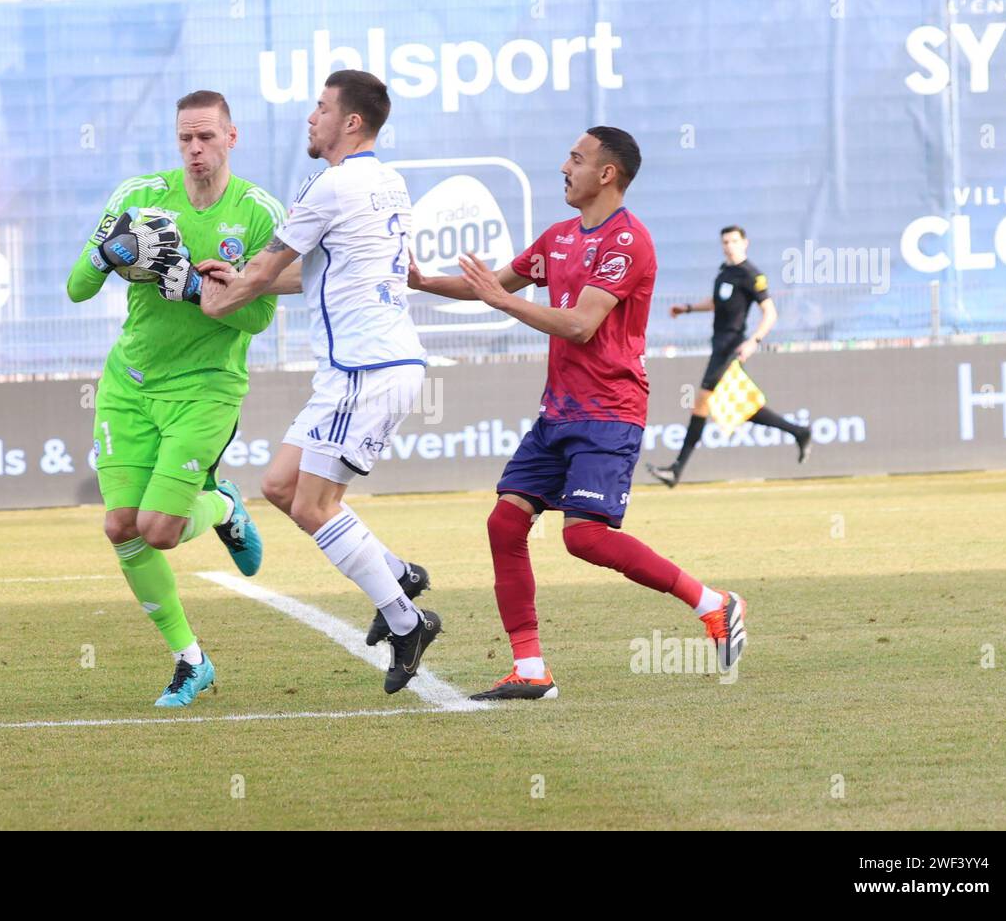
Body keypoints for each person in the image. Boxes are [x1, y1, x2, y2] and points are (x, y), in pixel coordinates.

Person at [408, 127, 747, 700]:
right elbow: (494, 285)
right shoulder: (560, 236)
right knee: (505, 524)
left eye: (576, 158)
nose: (564, 166)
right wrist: (423, 282)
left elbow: (579, 324)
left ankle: (714, 604)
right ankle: (531, 669)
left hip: (610, 411)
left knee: (584, 538)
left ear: (606, 173)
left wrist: (502, 300)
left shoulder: (628, 242)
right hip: (558, 412)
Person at [198, 70, 438, 696]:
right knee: (280, 486)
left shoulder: (331, 185)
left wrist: (203, 290)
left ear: (350, 122)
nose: (311, 117)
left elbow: (261, 273)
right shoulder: (387, 181)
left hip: (367, 369)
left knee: (313, 506)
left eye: (322, 107)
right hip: (362, 370)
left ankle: (406, 620)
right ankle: (397, 575)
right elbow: (304, 272)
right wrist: (241, 278)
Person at [66, 90, 286, 708]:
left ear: (231, 138)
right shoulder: (137, 198)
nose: (195, 150)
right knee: (120, 527)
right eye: (185, 138)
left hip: (206, 390)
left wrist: (195, 286)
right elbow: (77, 288)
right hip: (130, 386)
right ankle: (191, 661)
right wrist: (108, 252)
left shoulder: (259, 213)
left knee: (159, 531)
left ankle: (222, 508)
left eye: (207, 138)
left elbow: (259, 319)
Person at [647, 226, 811, 487]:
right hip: (719, 347)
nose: (729, 245)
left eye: (734, 240)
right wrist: (687, 308)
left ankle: (676, 471)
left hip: (731, 349)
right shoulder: (724, 272)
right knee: (742, 407)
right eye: (725, 241)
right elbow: (716, 303)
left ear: (745, 243)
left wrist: (753, 341)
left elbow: (770, 313)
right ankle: (799, 431)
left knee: (701, 403)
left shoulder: (751, 274)